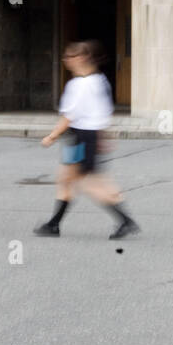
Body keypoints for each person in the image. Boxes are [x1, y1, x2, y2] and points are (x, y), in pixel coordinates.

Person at [34, 41, 138, 239]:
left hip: (82, 137)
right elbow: (104, 111)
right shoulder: (99, 80)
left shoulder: (78, 85)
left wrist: (51, 136)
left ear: (81, 58)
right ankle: (54, 224)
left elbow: (69, 116)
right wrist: (104, 135)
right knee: (66, 179)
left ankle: (125, 220)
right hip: (87, 136)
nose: (65, 60)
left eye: (69, 56)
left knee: (89, 183)